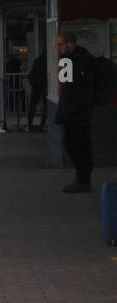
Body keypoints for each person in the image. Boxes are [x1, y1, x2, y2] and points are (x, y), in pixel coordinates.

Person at [55, 31, 95, 193]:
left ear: (69, 44)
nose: (58, 48)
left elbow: (80, 89)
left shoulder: (80, 60)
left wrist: (72, 108)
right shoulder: (71, 60)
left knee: (78, 145)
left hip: (78, 112)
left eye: (60, 44)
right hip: (73, 110)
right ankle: (82, 178)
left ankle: (83, 180)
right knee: (74, 145)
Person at [26, 52, 47, 132]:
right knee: (46, 107)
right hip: (44, 86)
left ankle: (30, 124)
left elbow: (31, 74)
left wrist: (33, 83)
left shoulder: (37, 61)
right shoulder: (48, 62)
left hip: (36, 86)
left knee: (32, 105)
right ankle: (42, 125)